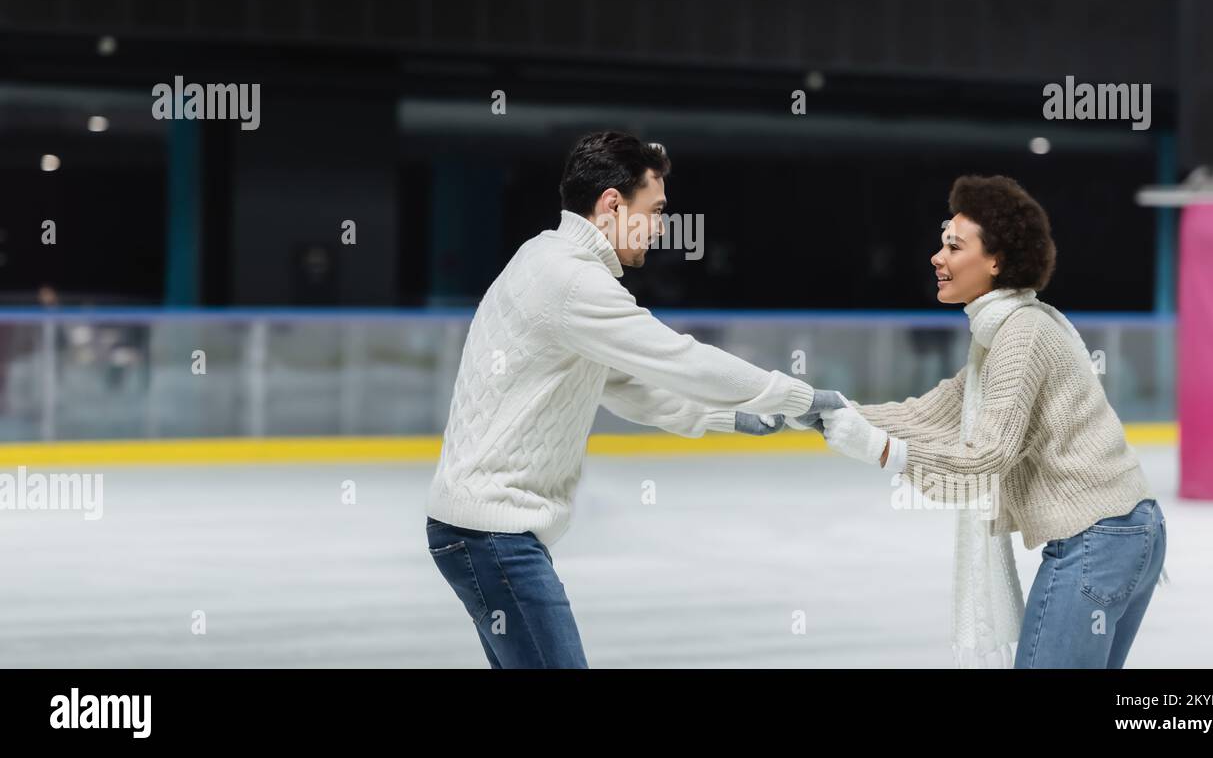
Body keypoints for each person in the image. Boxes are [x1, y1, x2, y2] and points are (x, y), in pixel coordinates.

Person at [425, 130, 844, 668]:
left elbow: (626, 387)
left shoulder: (545, 258)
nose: (663, 227)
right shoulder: (571, 280)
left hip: (481, 531)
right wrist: (791, 394)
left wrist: (728, 417)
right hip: (493, 534)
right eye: (656, 209)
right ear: (611, 204)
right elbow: (678, 358)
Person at [816, 174, 1167, 668]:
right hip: (1126, 530)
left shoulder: (1019, 336)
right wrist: (823, 409)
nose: (938, 258)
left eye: (954, 247)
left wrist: (880, 450)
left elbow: (984, 459)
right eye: (942, 244)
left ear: (997, 260)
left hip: (1101, 538)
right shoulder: (1006, 330)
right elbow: (931, 412)